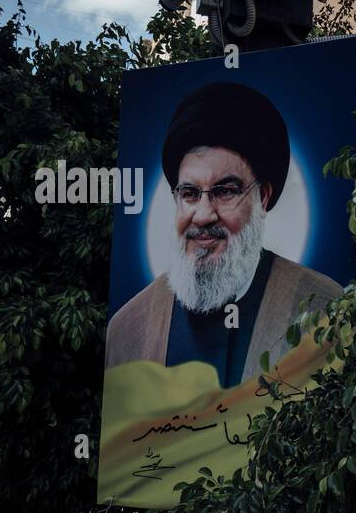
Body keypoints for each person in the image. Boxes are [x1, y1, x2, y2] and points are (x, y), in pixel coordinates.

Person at [105, 82, 341, 386]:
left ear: (263, 197)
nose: (203, 215)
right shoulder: (127, 330)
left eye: (226, 191)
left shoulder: (324, 310)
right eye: (189, 193)